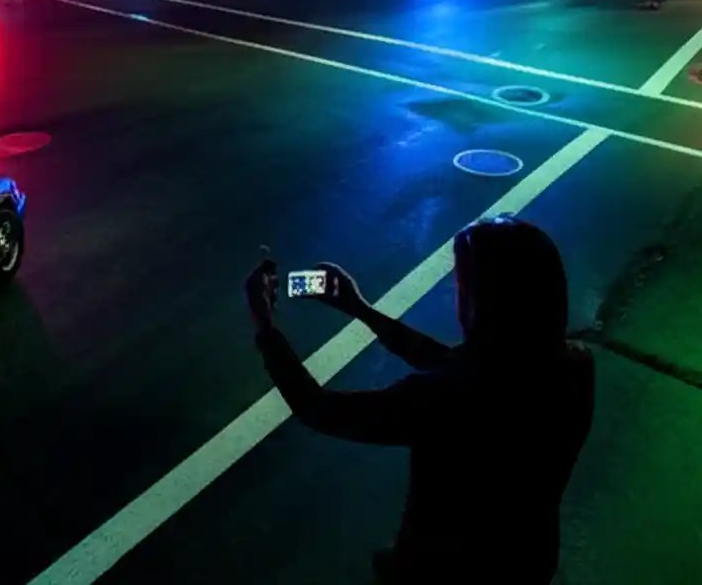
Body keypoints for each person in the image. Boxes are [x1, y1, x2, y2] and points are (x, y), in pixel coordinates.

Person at [244, 215, 594, 584]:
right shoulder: (574, 366)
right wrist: (360, 309)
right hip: (527, 559)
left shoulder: (447, 399)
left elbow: (319, 409)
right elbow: (450, 362)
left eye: (461, 285)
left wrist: (265, 327)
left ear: (484, 302)